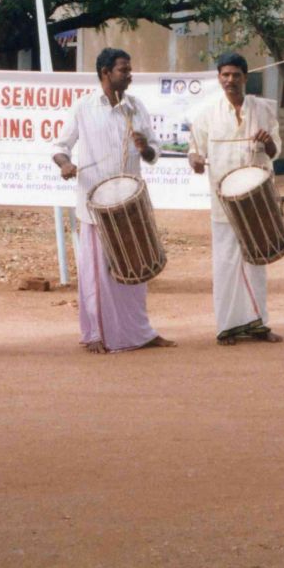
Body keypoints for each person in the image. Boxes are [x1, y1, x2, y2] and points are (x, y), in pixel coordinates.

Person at [52, 48, 175, 354]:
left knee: (134, 275)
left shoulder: (136, 108)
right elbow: (60, 146)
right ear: (106, 73)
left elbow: (154, 153)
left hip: (129, 206)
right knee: (96, 275)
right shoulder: (84, 107)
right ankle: (96, 334)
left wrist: (145, 148)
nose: (129, 75)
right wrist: (65, 165)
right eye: (124, 70)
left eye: (130, 70)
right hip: (95, 207)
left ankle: (140, 332)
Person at [188, 52, 283, 345]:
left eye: (236, 75)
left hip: (257, 200)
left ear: (245, 77)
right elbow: (195, 150)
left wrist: (268, 145)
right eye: (225, 75)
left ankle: (257, 323)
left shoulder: (264, 110)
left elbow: (275, 151)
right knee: (227, 263)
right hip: (223, 201)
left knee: (255, 261)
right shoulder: (205, 114)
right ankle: (227, 327)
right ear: (219, 78)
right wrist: (194, 159)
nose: (230, 80)